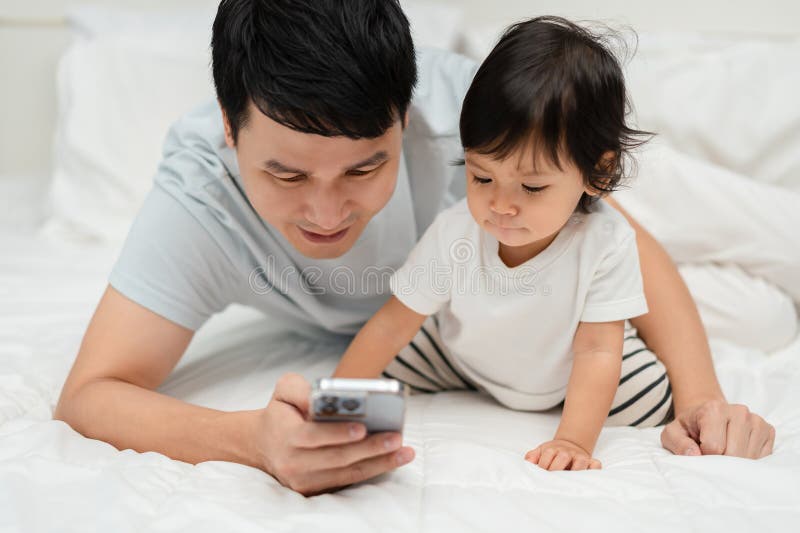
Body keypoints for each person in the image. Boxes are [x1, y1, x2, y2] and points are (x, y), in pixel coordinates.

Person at [52, 0, 775, 496]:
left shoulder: (483, 141)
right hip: (486, 291)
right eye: (286, 173)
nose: (328, 213)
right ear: (228, 131)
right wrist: (254, 439)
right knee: (749, 309)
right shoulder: (197, 197)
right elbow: (89, 394)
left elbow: (617, 240)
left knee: (752, 240)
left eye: (367, 167)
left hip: (556, 210)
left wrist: (702, 396)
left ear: (408, 114)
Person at [334, 16, 668, 471]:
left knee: (652, 399)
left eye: (531, 188)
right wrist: (336, 403)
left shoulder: (605, 242)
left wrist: (573, 441)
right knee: (385, 361)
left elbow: (597, 351)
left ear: (599, 173)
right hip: (462, 358)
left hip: (570, 374)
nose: (501, 205)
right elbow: (393, 324)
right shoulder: (456, 232)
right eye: (481, 177)